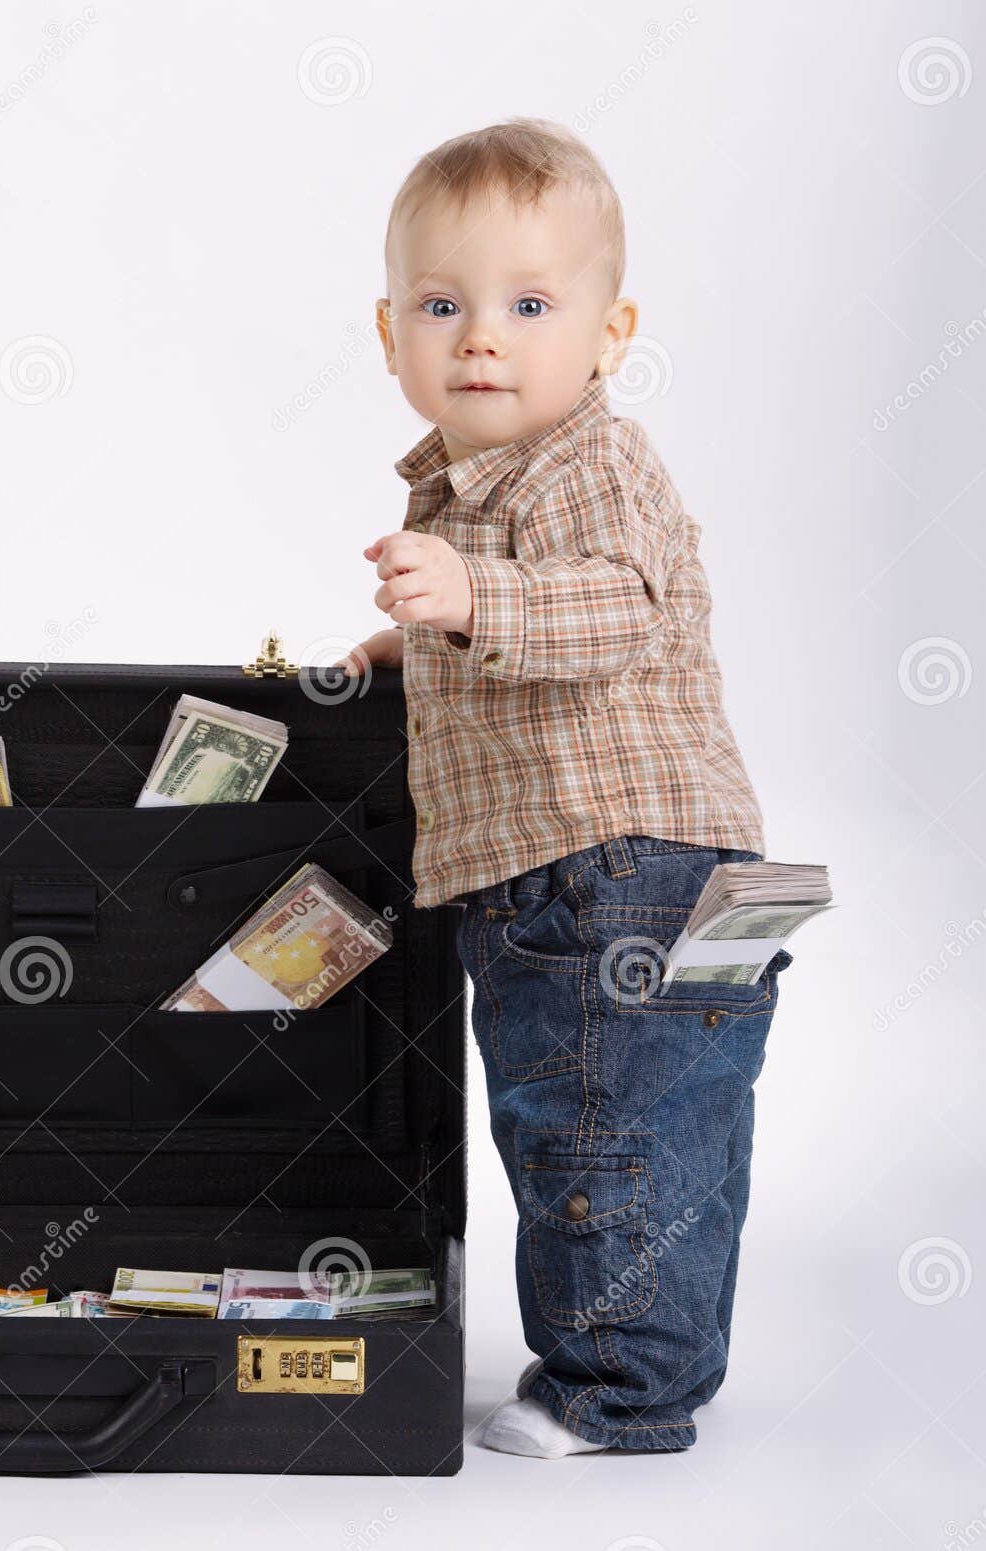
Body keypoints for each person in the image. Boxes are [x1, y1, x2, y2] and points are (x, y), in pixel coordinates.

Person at [345, 119, 788, 1456]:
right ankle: (637, 1361)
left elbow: (614, 613)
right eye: (443, 305)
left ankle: (623, 1390)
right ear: (389, 335)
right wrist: (419, 643)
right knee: (640, 1118)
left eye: (531, 305)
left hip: (618, 875)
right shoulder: (468, 490)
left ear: (610, 329)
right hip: (619, 874)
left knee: (603, 1129)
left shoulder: (588, 463)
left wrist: (474, 596)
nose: (482, 338)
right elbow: (517, 635)